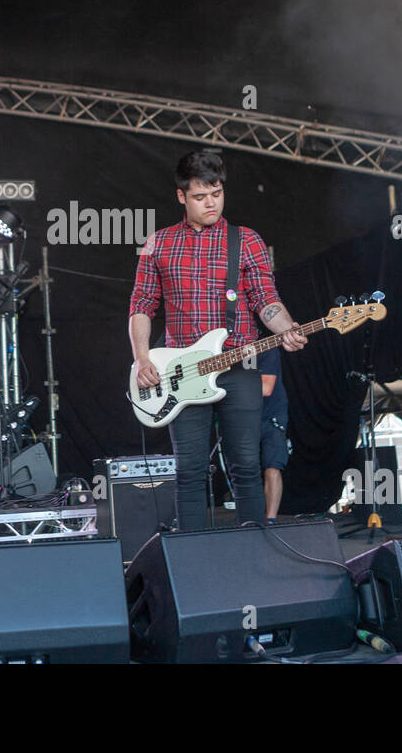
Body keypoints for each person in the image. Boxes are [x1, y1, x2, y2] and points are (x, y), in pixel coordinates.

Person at [129, 150, 307, 531]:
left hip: (239, 365)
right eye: (199, 196)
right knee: (190, 469)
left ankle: (254, 551)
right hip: (181, 372)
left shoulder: (245, 240)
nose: (210, 203)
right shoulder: (157, 244)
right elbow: (141, 305)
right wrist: (143, 359)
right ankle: (191, 559)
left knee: (245, 462)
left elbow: (265, 298)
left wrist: (286, 329)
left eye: (216, 193)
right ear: (181, 196)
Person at [257, 344, 289, 523]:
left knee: (272, 465)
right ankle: (251, 517)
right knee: (246, 468)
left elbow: (266, 388)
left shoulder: (266, 348)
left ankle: (271, 519)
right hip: (244, 415)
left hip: (271, 414)